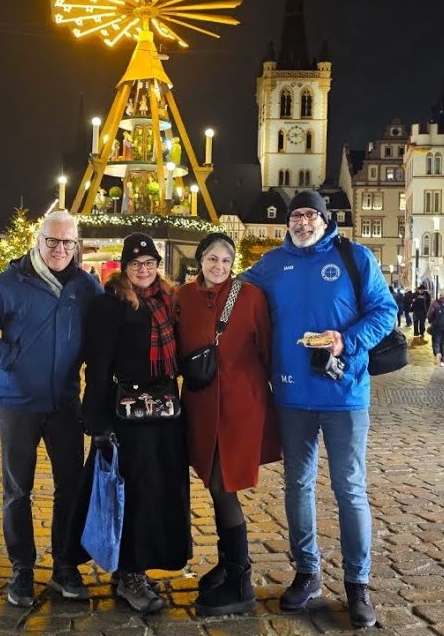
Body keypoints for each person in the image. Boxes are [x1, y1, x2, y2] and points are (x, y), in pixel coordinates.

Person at [243, 190, 396, 629]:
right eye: (296, 216)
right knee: (297, 485)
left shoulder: (356, 257)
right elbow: (231, 294)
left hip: (344, 394)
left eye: (311, 215)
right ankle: (307, 572)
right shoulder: (272, 264)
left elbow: (386, 312)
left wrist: (346, 339)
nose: (303, 223)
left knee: (349, 488)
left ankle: (357, 583)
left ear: (325, 220)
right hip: (291, 395)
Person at [0, 210, 103, 607]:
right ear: (38, 240)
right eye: (52, 241)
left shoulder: (86, 286)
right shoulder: (9, 283)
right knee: (17, 489)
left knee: (70, 488)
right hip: (18, 402)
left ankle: (64, 565)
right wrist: (6, 357)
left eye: (67, 243)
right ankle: (21, 568)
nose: (60, 250)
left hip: (64, 402)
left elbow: (104, 331)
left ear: (76, 245)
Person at [75, 232, 192, 614]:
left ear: (158, 266)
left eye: (150, 263)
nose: (143, 270)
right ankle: (129, 572)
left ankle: (140, 564)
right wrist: (95, 417)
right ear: (125, 269)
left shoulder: (168, 301)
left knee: (158, 491)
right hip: (126, 414)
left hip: (164, 414)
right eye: (136, 264)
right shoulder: (110, 307)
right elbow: (99, 364)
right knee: (131, 494)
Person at [176, 233, 281, 616]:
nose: (218, 266)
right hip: (202, 405)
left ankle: (240, 579)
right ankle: (226, 564)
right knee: (213, 481)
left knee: (224, 484)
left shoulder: (250, 297)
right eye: (211, 258)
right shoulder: (184, 297)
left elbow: (268, 349)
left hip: (240, 407)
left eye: (225, 259)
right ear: (200, 260)